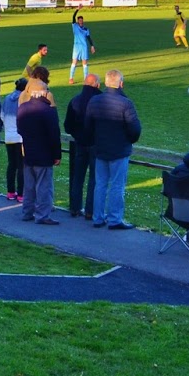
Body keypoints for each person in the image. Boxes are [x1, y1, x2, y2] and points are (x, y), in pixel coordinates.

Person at [85, 68, 140, 230]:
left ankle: (98, 217)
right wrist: (129, 140)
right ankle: (115, 219)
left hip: (101, 148)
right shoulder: (126, 103)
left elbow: (88, 126)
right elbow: (135, 129)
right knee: (116, 185)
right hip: (119, 149)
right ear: (121, 83)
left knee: (100, 184)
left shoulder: (95, 101)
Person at [17, 69, 62, 224]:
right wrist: (57, 154)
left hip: (28, 150)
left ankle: (27, 212)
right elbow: (54, 134)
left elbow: (19, 129)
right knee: (44, 186)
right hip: (44, 153)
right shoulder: (48, 111)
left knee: (29, 186)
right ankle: (43, 215)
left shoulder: (23, 107)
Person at [63, 72, 101, 220]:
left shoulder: (75, 101)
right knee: (94, 178)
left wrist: (77, 135)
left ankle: (74, 207)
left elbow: (67, 126)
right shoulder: (99, 101)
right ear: (97, 84)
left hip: (80, 143)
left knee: (78, 176)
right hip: (95, 144)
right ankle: (90, 211)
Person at [1, 77, 25, 201]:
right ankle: (21, 194)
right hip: (20, 137)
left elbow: (2, 115)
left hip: (9, 136)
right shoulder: (24, 99)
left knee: (11, 164)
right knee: (21, 166)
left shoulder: (7, 98)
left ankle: (10, 191)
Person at [67, 13, 95, 84]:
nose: (81, 22)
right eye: (79, 20)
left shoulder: (86, 29)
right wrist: (77, 9)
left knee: (84, 63)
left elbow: (88, 38)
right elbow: (73, 16)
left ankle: (86, 79)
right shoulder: (75, 27)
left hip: (84, 47)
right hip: (76, 47)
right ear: (77, 21)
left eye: (82, 20)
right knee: (74, 62)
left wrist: (92, 46)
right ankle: (71, 78)